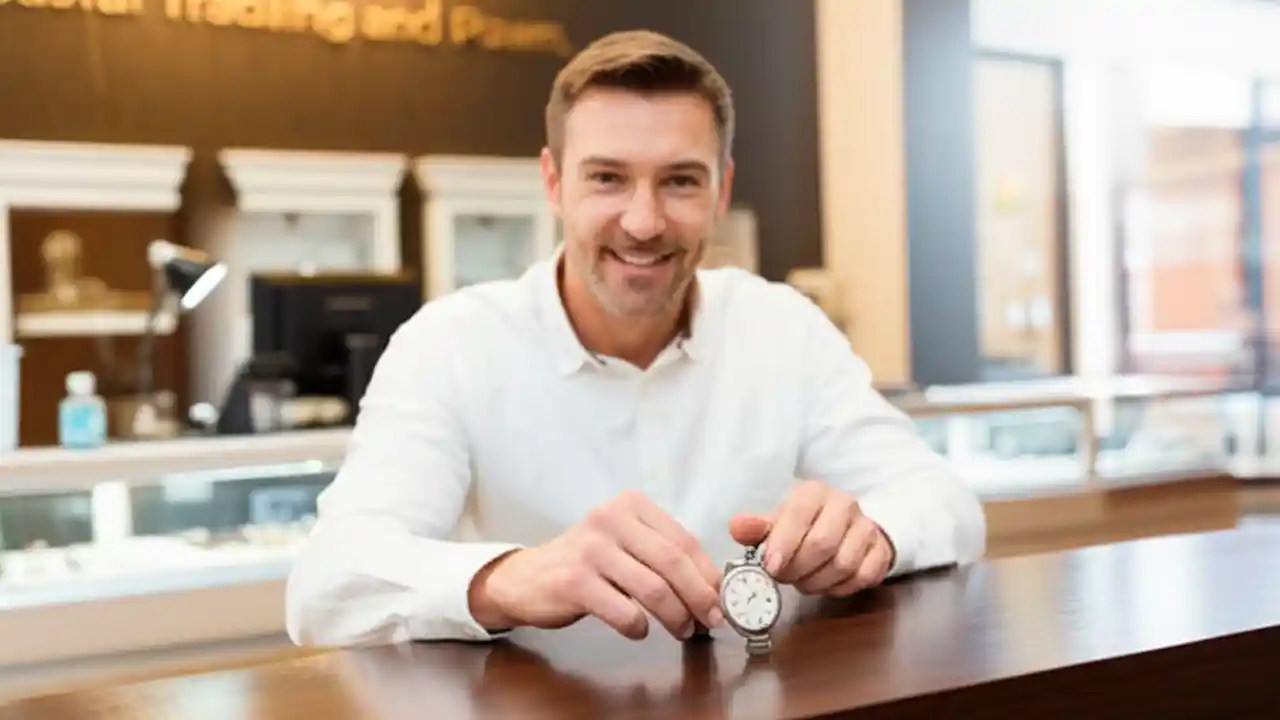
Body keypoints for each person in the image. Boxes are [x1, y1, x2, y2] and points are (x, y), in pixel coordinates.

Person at [286, 29, 985, 647]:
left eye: (680, 181)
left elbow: (947, 505)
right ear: (554, 183)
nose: (644, 221)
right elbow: (326, 584)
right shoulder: (450, 344)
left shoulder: (782, 326)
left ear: (720, 190)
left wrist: (870, 537)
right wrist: (512, 578)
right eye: (608, 179)